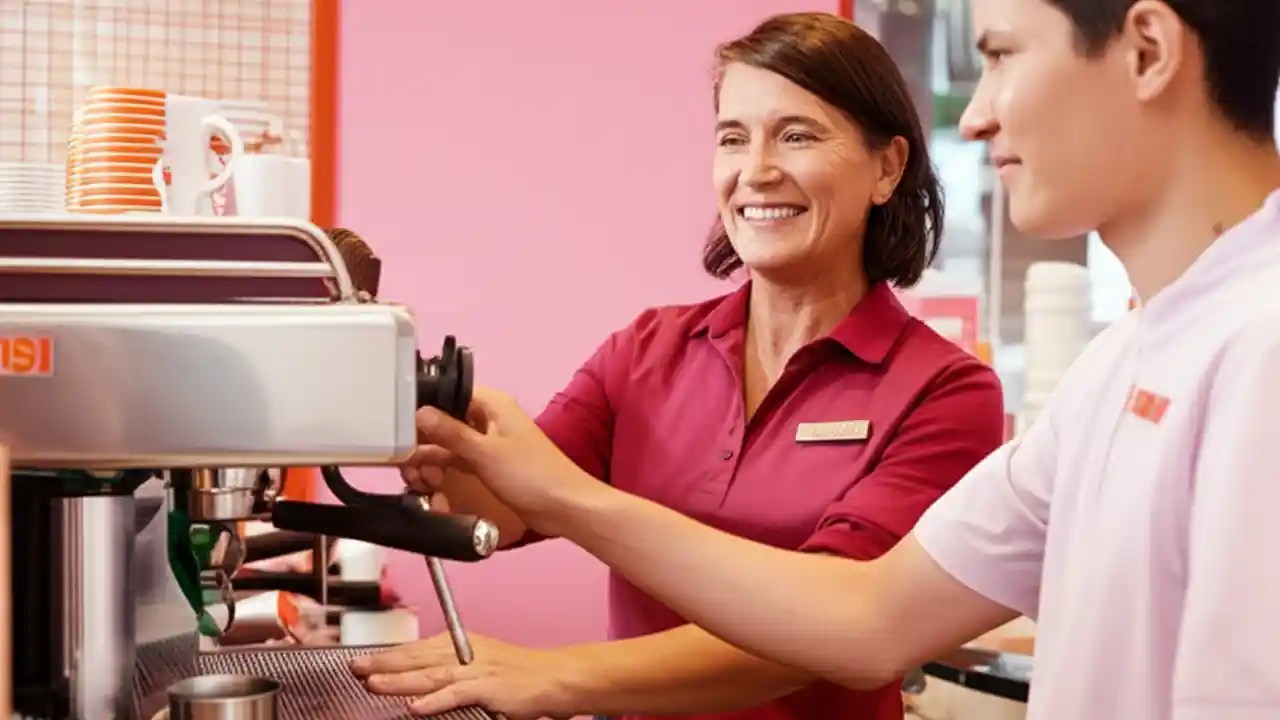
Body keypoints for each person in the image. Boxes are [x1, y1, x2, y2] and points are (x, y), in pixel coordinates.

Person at [382, 0, 1280, 718]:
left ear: (1149, 50)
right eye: (733, 136)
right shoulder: (1123, 361)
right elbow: (869, 620)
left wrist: (560, 665)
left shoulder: (1257, 352)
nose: (973, 116)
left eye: (1001, 54)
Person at [350, 12, 1006, 720]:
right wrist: (449, 450)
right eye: (733, 138)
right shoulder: (646, 350)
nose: (755, 170)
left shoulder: (945, 393)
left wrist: (555, 673)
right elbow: (506, 512)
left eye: (797, 134)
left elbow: (836, 629)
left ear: (887, 167)